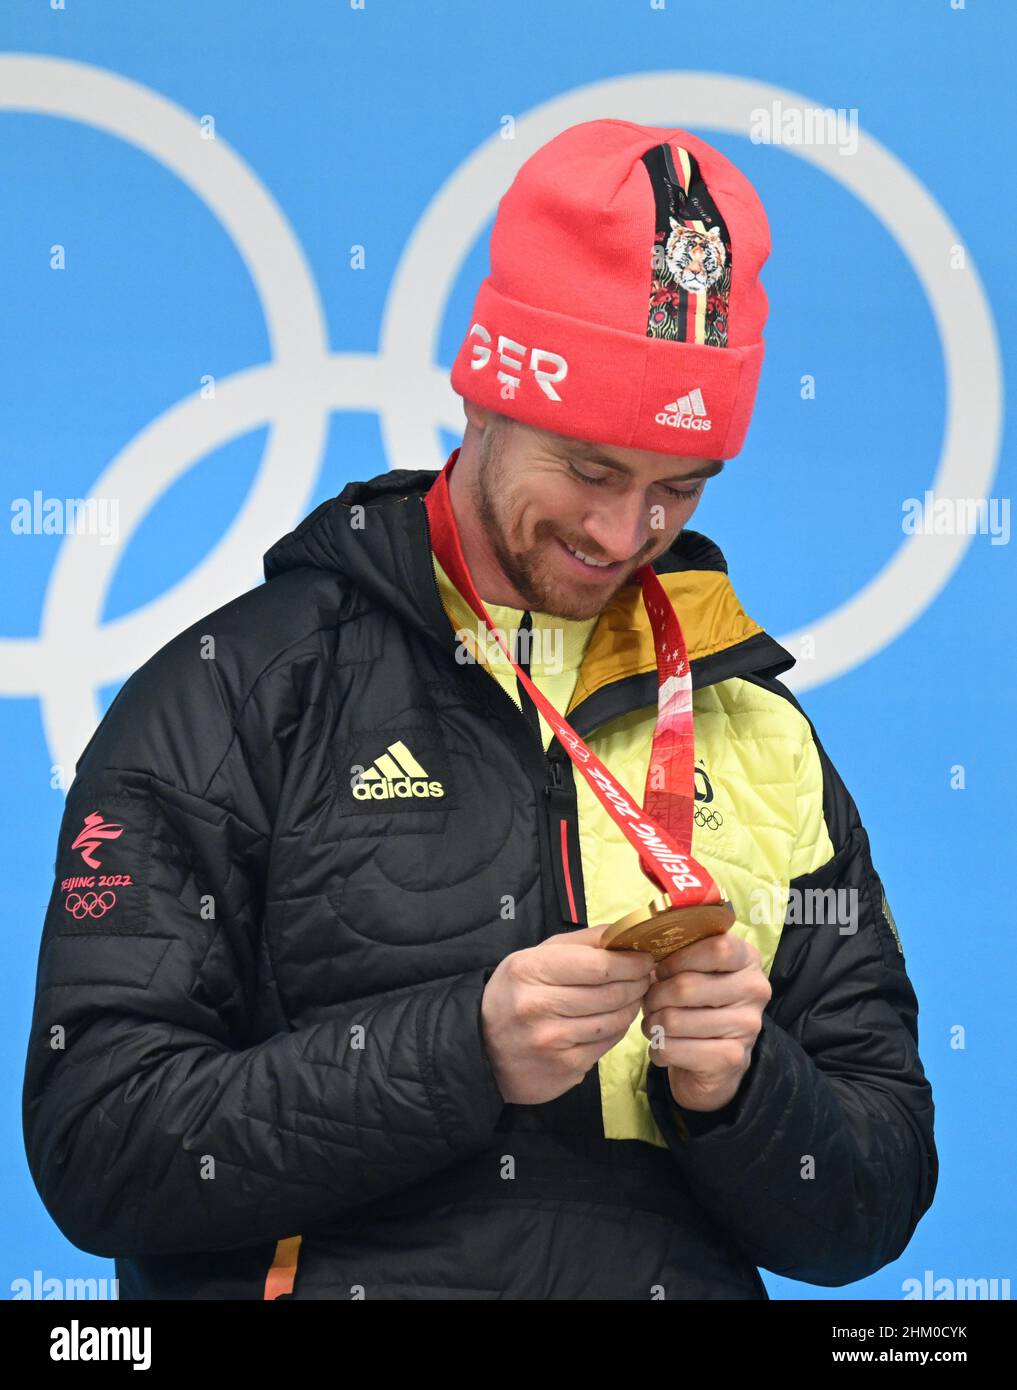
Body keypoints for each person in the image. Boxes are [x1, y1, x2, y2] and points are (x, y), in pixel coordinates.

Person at [22, 119, 937, 1300]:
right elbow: (100, 1142)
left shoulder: (761, 734)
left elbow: (880, 1198)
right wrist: (464, 1051)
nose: (623, 533)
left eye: (678, 489)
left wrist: (749, 1089)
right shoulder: (236, 692)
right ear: (486, 395)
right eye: (592, 470)